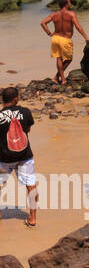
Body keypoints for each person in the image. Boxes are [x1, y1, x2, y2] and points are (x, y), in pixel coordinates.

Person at [0, 86, 38, 227]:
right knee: (31, 185)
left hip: (4, 158)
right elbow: (27, 129)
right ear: (16, 99)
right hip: (24, 156)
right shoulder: (26, 112)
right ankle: (33, 218)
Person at [40, 0, 89, 85]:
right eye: (69, 2)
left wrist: (49, 33)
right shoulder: (71, 14)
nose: (70, 4)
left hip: (55, 38)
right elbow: (77, 26)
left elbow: (43, 23)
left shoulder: (54, 14)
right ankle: (62, 79)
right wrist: (86, 37)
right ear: (66, 4)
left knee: (59, 58)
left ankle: (56, 78)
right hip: (65, 39)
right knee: (69, 59)